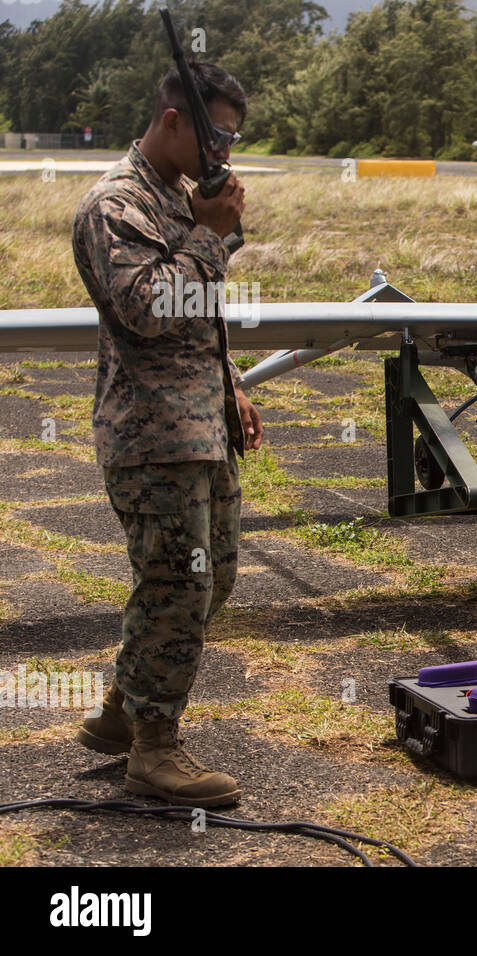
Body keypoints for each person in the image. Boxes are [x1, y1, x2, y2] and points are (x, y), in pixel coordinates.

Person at [70, 60, 263, 808]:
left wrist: (231, 384)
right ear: (173, 119)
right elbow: (148, 310)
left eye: (234, 140)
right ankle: (154, 749)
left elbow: (200, 312)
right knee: (178, 583)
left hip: (200, 423)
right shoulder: (113, 206)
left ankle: (124, 706)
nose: (225, 154)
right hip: (151, 434)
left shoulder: (182, 197)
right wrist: (211, 236)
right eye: (216, 136)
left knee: (214, 574)